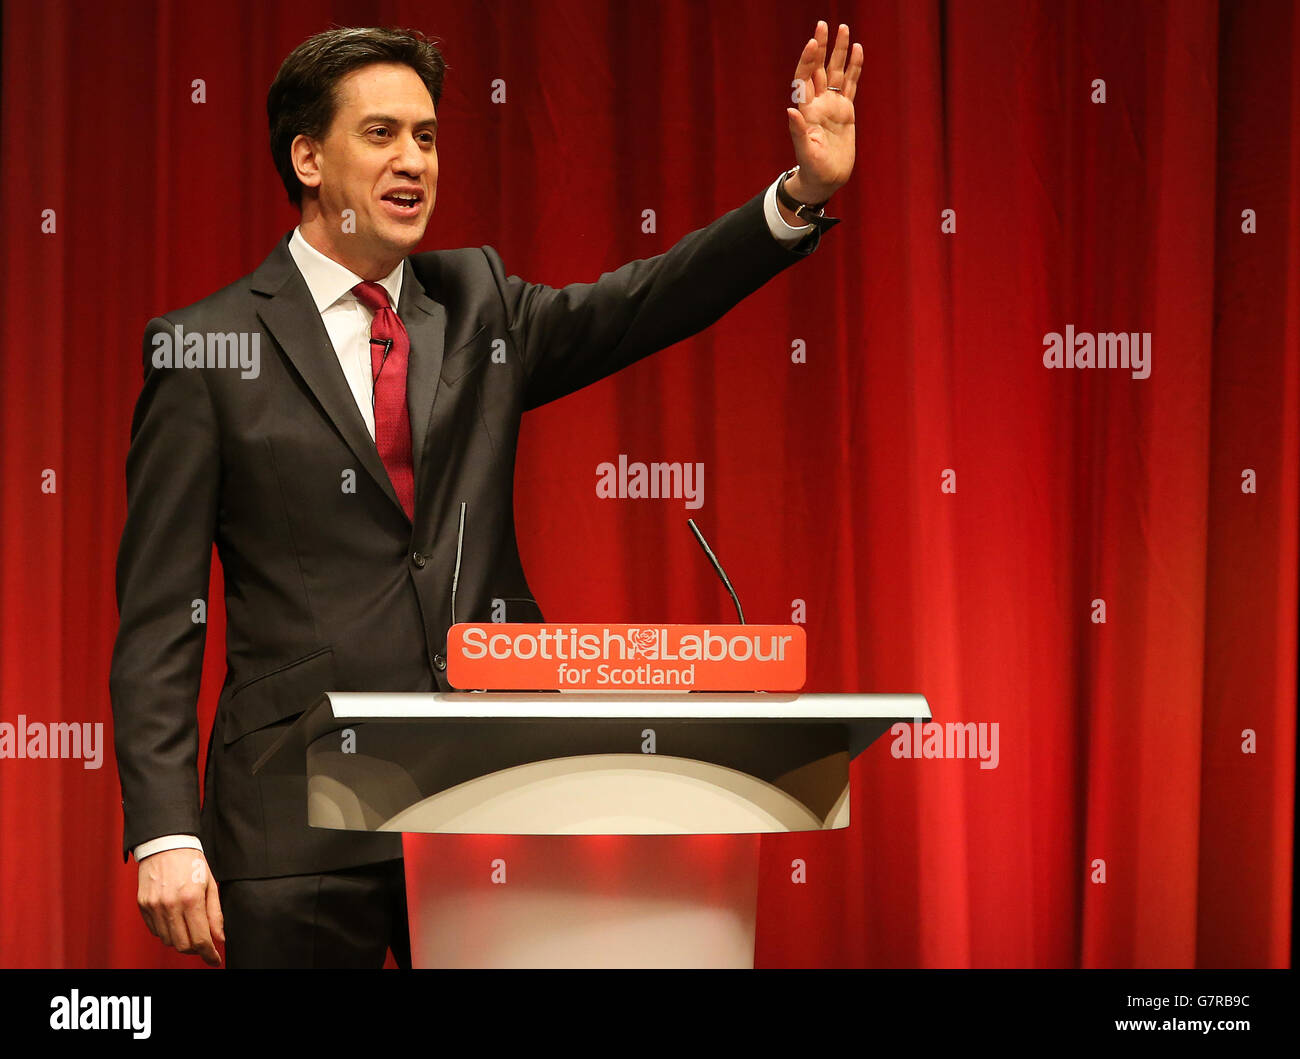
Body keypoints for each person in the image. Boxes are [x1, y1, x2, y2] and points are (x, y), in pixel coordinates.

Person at [110, 21, 860, 968]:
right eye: (381, 133)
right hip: (293, 813)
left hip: (484, 800)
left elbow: (647, 300)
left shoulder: (479, 305)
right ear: (306, 156)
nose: (414, 159)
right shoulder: (205, 349)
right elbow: (155, 620)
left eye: (426, 136)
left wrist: (798, 198)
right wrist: (164, 831)